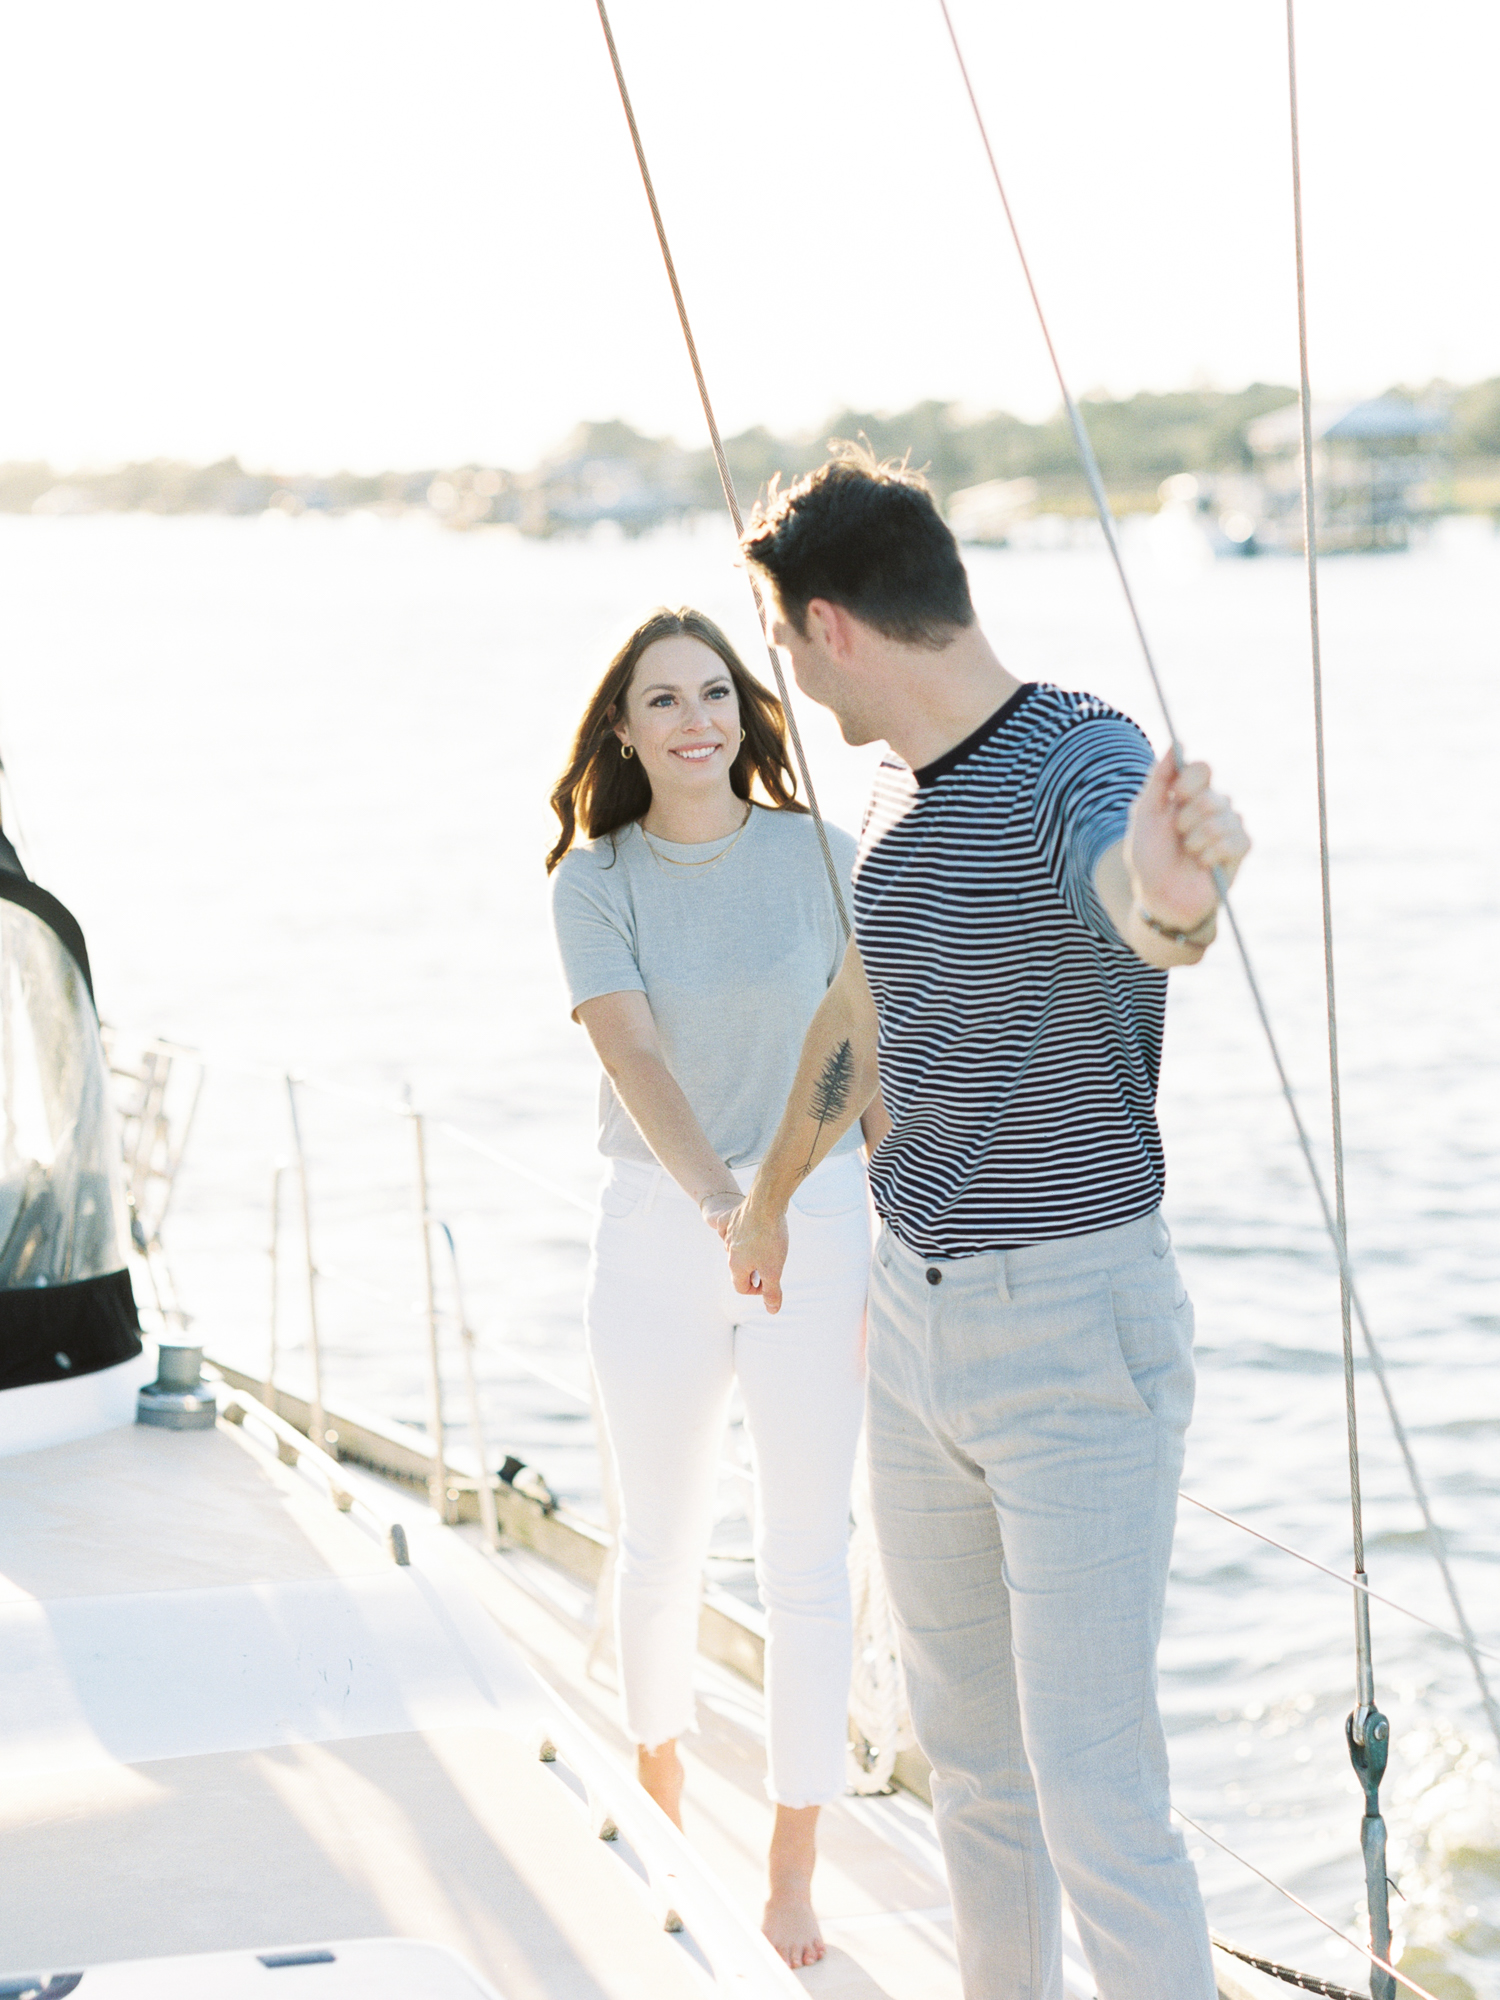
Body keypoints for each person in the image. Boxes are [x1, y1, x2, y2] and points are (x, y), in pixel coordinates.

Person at [719, 450, 1251, 2000]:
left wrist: (1171, 882)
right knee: (971, 1767)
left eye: (783, 651)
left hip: (1074, 1335)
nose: (792, 688)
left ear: (832, 628)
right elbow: (871, 1011)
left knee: (1096, 1787)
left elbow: (1147, 905)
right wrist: (765, 1198)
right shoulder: (896, 785)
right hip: (918, 1316)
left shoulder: (1078, 757)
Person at [546, 605, 884, 1969]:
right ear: (622, 732)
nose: (697, 720)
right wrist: (722, 1209)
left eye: (716, 694)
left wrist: (801, 1209)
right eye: (664, 701)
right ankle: (661, 1786)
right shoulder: (595, 880)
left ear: (746, 710)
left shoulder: (825, 855)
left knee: (810, 1553)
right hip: (659, 1226)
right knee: (662, 1540)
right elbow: (631, 1053)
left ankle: (793, 1861)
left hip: (821, 1223)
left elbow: (859, 1048)